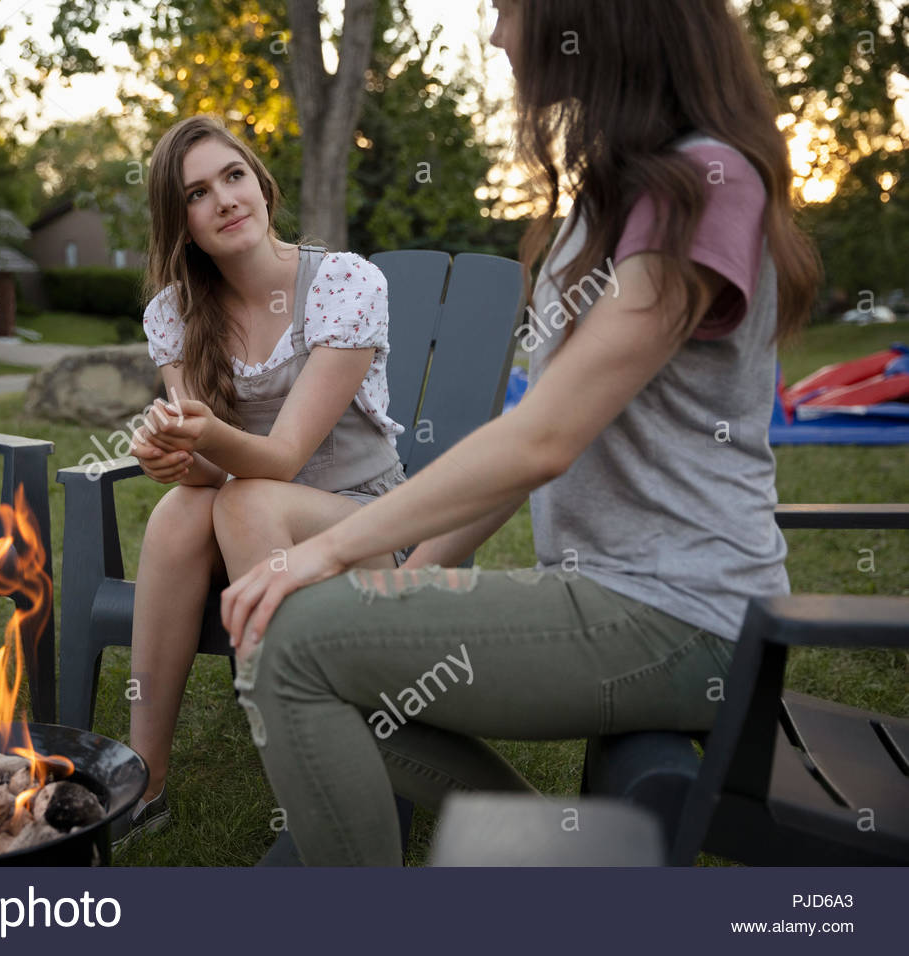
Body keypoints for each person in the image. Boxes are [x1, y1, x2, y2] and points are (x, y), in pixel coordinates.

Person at [216, 0, 822, 865]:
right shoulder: (613, 196)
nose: (497, 33)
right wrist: (410, 581)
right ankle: (574, 860)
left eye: (503, 8)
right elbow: (527, 444)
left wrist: (325, 550)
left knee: (294, 651)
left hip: (688, 614)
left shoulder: (708, 181)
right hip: (620, 600)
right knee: (295, 639)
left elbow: (545, 440)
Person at [110, 115, 409, 848]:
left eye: (233, 176)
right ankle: (144, 778)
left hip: (367, 532)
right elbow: (215, 467)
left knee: (243, 500)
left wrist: (203, 438)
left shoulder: (341, 284)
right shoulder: (176, 315)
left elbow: (278, 458)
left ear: (262, 184)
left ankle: (313, 787)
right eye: (197, 193)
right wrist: (174, 459)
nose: (224, 199)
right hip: (258, 524)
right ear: (179, 224)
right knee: (183, 511)